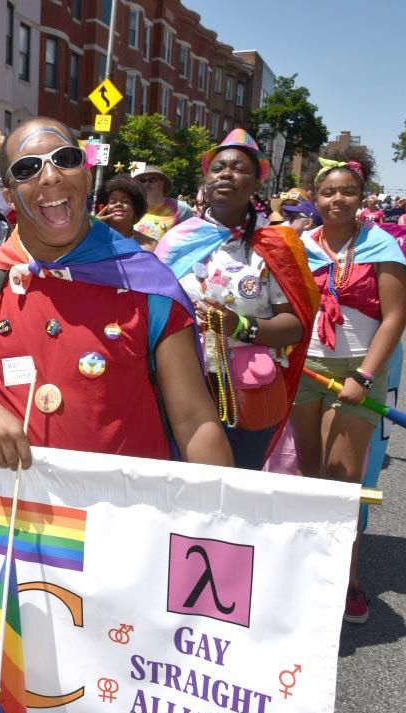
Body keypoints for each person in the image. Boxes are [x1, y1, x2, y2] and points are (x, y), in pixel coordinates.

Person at [0, 116, 233, 469]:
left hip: (125, 514)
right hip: (16, 511)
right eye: (28, 168)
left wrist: (221, 517)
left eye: (66, 159)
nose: (51, 175)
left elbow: (194, 421)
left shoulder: (150, 287)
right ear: (9, 195)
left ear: (86, 177)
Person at [291, 158, 406, 625]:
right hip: (307, 368)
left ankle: (347, 581)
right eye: (328, 192)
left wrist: (363, 376)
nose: (336, 199)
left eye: (346, 191)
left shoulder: (382, 246)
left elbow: (395, 317)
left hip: (357, 369)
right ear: (315, 198)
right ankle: (308, 570)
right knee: (311, 474)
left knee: (343, 480)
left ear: (360, 198)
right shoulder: (301, 245)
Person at [157, 130, 319, 470]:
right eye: (218, 168)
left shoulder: (277, 243)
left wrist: (240, 326)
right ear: (206, 178)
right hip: (182, 384)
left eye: (238, 168)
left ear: (257, 181)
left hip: (250, 390)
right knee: (184, 480)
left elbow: (295, 326)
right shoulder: (176, 241)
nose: (226, 174)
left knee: (240, 486)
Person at [94, 175, 157, 251]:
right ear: (103, 209)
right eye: (112, 202)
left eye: (125, 201)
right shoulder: (91, 239)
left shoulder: (151, 246)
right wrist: (92, 229)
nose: (118, 204)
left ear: (135, 209)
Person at [131, 164, 193, 240]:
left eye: (152, 180)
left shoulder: (181, 209)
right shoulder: (132, 208)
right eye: (142, 181)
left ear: (162, 184)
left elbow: (191, 239)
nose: (147, 183)